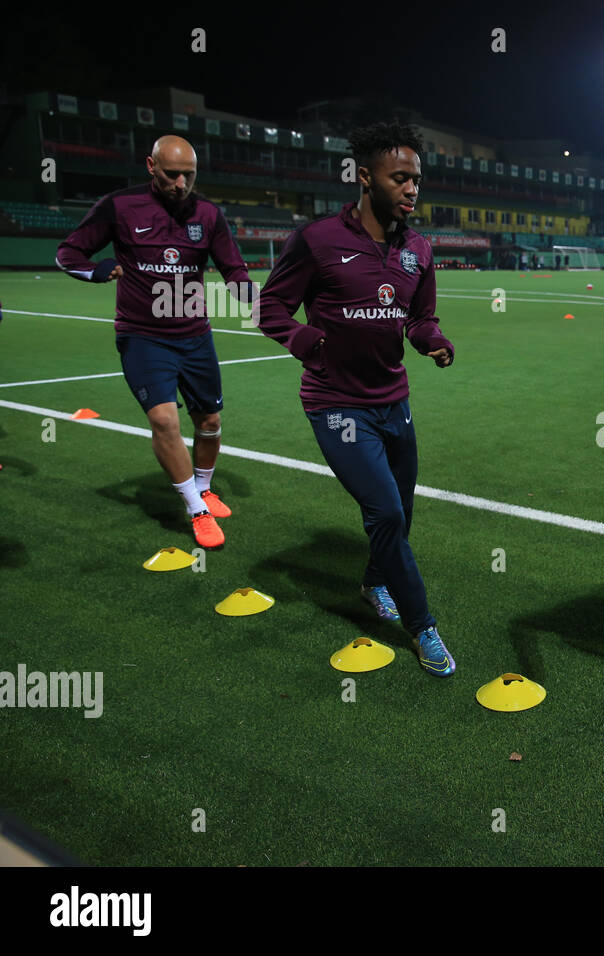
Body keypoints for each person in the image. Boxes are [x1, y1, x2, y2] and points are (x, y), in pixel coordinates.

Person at [254, 122, 457, 678]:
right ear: (365, 177)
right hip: (336, 404)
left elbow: (419, 319)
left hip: (394, 400)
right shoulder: (317, 240)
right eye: (401, 178)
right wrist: (303, 340)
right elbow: (270, 308)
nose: (412, 189)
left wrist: (433, 342)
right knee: (385, 510)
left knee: (403, 510)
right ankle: (423, 626)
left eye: (417, 179)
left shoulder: (418, 248)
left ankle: (372, 581)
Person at [56, 135, 253, 548]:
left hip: (195, 335)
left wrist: (247, 294)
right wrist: (97, 270)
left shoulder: (209, 214)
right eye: (171, 174)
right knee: (164, 419)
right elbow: (68, 254)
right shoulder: (119, 206)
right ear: (150, 166)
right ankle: (195, 509)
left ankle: (205, 487)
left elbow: (233, 268)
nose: (181, 183)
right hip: (142, 336)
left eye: (189, 175)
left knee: (210, 423)